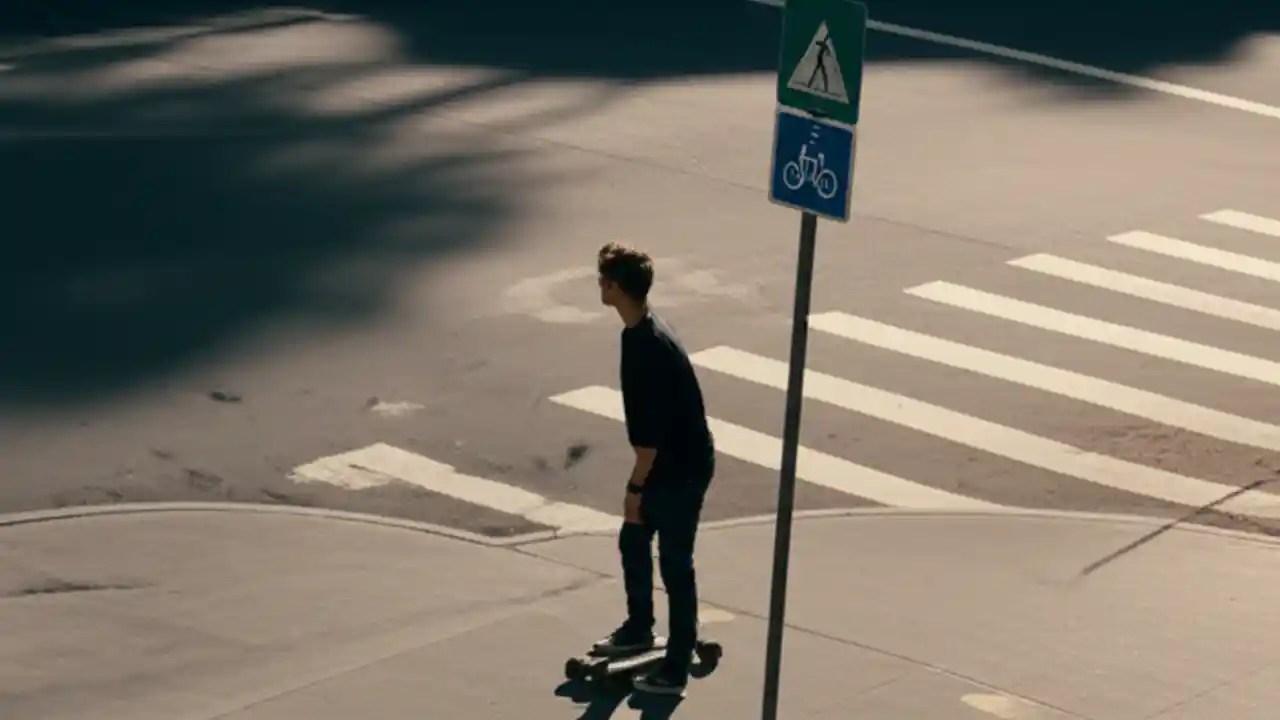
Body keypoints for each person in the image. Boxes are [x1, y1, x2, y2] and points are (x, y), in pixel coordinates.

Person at [591, 241, 716, 695]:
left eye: (603, 279)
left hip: (679, 467)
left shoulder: (647, 346)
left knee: (675, 564)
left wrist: (635, 489)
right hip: (674, 459)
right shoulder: (642, 330)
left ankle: (675, 667)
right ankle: (639, 627)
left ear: (616, 288)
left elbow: (650, 440)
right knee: (634, 539)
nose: (598, 285)